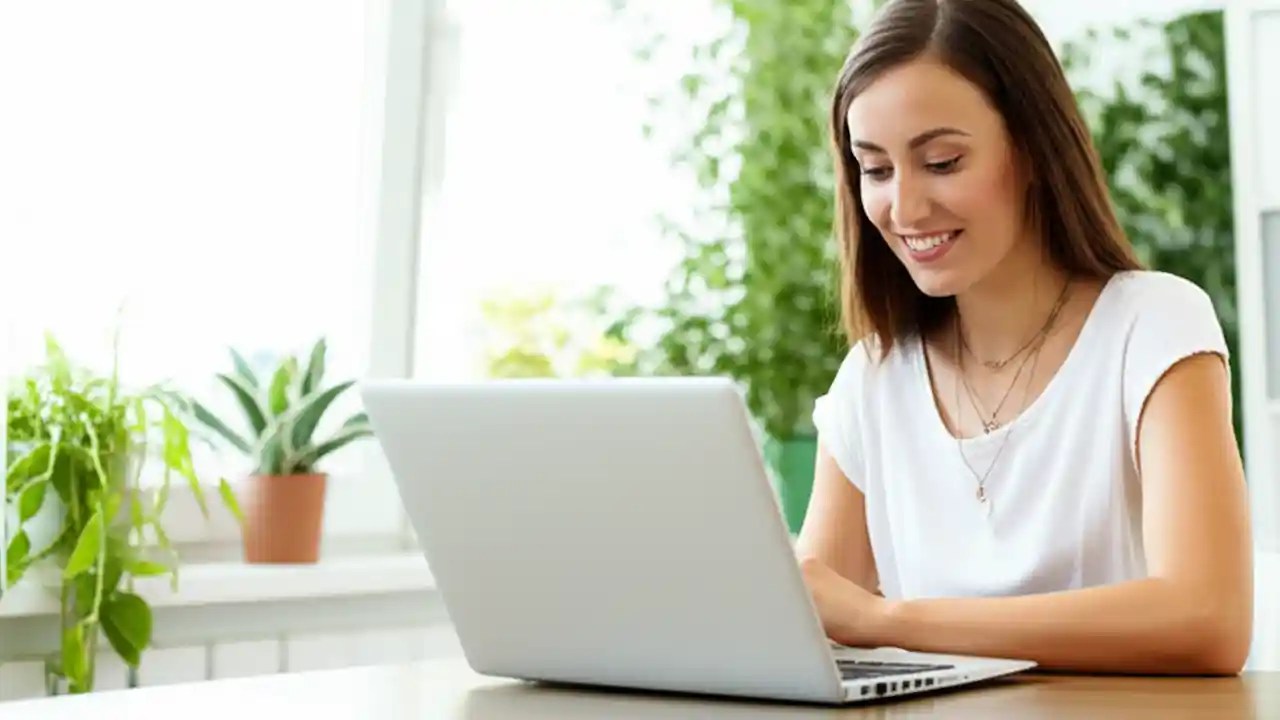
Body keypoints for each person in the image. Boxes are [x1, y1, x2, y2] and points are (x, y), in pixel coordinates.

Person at [795, 0, 1252, 676]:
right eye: (877, 169)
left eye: (943, 162)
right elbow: (810, 616)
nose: (906, 207)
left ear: (1034, 147)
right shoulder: (875, 375)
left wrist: (889, 621)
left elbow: (1207, 620)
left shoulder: (1152, 326)